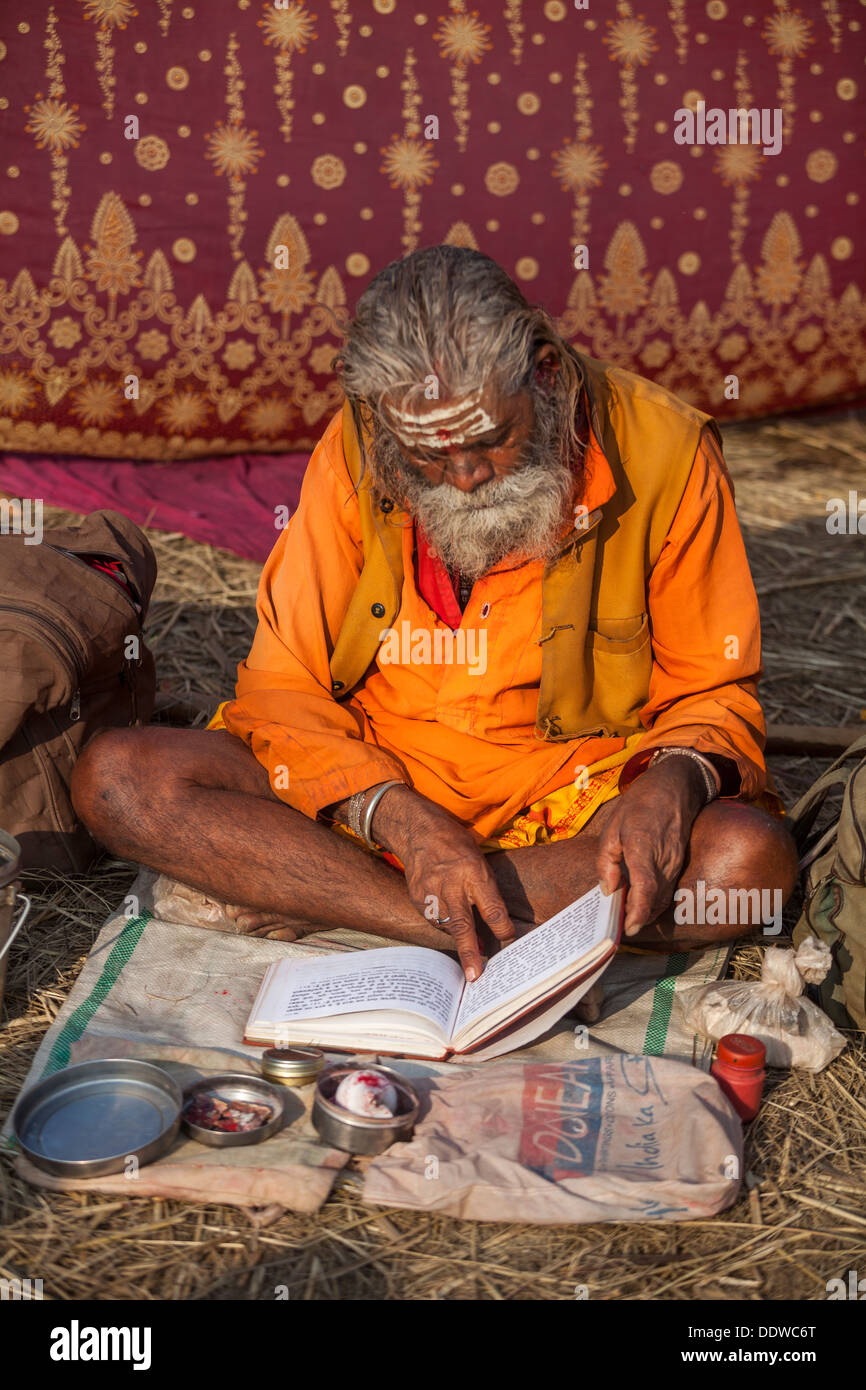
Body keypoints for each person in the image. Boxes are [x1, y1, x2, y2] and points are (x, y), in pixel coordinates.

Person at [71, 246, 798, 985]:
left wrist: (672, 784)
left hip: (568, 800)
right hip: (369, 780)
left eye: (488, 441)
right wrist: (397, 817)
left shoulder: (665, 452)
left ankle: (350, 899)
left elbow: (714, 688)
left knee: (745, 863)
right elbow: (281, 683)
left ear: (543, 371)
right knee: (118, 779)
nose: (463, 477)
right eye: (427, 455)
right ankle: (446, 924)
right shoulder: (361, 444)